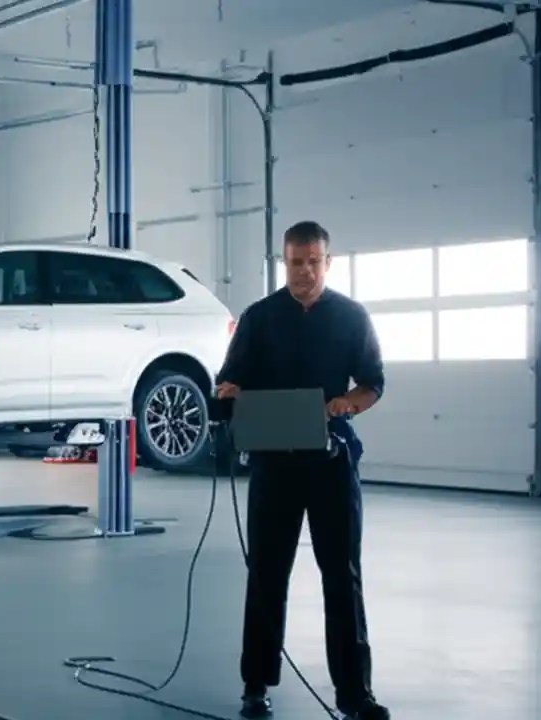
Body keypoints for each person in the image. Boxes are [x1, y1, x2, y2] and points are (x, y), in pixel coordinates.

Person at [215, 221, 390, 720]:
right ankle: (255, 682)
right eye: (296, 262)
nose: (305, 271)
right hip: (274, 464)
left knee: (342, 575)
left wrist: (346, 405)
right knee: (267, 574)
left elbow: (373, 383)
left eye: (314, 261)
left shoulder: (352, 317)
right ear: (284, 262)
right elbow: (230, 379)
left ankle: (355, 694)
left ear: (327, 263)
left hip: (331, 462)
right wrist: (227, 393)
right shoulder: (259, 318)